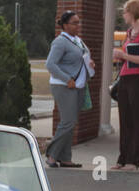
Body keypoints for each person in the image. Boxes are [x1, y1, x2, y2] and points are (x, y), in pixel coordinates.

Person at [45, 10, 96, 169]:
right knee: (68, 121)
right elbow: (50, 64)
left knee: (70, 123)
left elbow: (83, 57)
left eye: (78, 22)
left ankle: (66, 158)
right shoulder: (60, 42)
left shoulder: (78, 40)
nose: (78, 25)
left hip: (78, 85)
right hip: (63, 86)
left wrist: (90, 63)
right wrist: (67, 79)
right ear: (65, 25)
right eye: (74, 23)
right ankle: (52, 155)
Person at [111, 0, 139, 170]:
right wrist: (120, 57)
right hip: (125, 78)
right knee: (125, 118)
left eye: (125, 12)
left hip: (138, 80)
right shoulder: (129, 33)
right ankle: (123, 158)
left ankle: (134, 160)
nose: (123, 15)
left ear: (133, 13)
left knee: (137, 119)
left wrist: (124, 55)